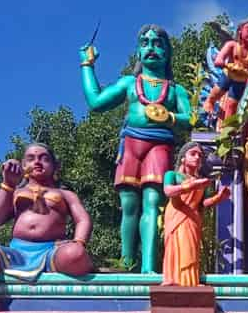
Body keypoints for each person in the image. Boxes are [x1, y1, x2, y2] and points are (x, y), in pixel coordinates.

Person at [80, 24, 192, 273]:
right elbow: (96, 102)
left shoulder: (175, 90)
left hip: (159, 144)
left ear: (168, 52)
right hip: (130, 143)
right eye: (145, 43)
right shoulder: (130, 83)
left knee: (153, 201)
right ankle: (126, 262)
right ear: (138, 52)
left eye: (157, 43)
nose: (151, 48)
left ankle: (149, 267)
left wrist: (171, 118)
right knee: (129, 206)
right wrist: (87, 66)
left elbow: (193, 118)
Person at [0, 143, 94, 313]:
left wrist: (79, 242)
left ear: (56, 166)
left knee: (75, 254)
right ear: (23, 165)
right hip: (17, 253)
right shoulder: (15, 192)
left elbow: (83, 219)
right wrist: (7, 184)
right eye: (31, 158)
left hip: (51, 253)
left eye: (44, 158)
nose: (37, 162)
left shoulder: (65, 194)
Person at [161, 143, 231, 287]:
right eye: (193, 154)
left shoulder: (202, 181)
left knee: (191, 250)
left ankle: (190, 281)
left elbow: (203, 203)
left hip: (193, 218)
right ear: (183, 158)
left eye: (200, 155)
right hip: (176, 214)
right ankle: (172, 278)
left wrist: (219, 198)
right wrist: (191, 185)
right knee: (176, 245)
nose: (197, 157)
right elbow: (168, 191)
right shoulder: (172, 175)